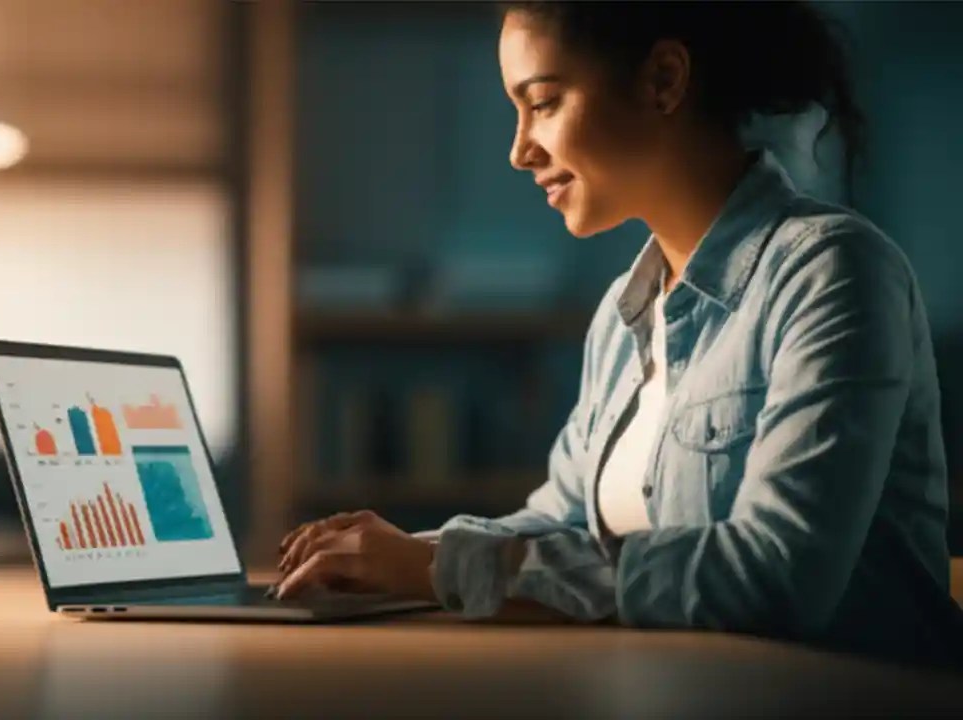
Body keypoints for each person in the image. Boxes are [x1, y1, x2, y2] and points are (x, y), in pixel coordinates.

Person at [274, 1, 963, 665]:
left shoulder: (831, 272)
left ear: (663, 80)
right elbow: (563, 523)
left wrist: (436, 566)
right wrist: (385, 555)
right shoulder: (623, 312)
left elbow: (778, 573)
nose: (519, 150)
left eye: (542, 103)